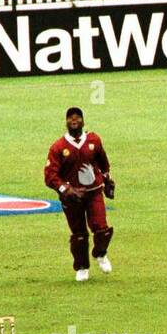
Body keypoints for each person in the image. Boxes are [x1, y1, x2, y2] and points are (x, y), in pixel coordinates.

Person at [43, 106, 115, 282]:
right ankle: (82, 267)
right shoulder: (58, 147)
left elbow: (103, 163)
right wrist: (65, 189)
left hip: (93, 192)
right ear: (66, 122)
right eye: (70, 118)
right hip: (72, 197)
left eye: (77, 118)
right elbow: (50, 176)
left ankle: (100, 253)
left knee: (101, 228)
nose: (74, 121)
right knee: (79, 234)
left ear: (83, 121)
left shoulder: (94, 140)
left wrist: (107, 181)